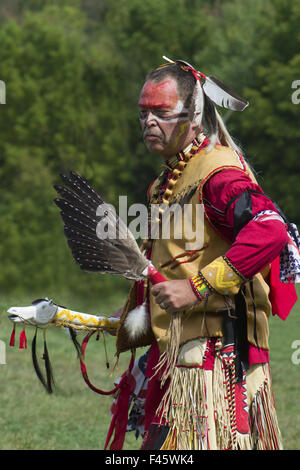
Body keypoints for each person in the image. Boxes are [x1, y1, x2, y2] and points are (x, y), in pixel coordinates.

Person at [104, 60, 299, 450]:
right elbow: (171, 260)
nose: (148, 122)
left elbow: (270, 230)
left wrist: (195, 289)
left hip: (216, 354)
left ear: (194, 116)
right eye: (143, 112)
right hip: (177, 348)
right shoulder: (167, 180)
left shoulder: (218, 173)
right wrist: (132, 314)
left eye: (161, 112)